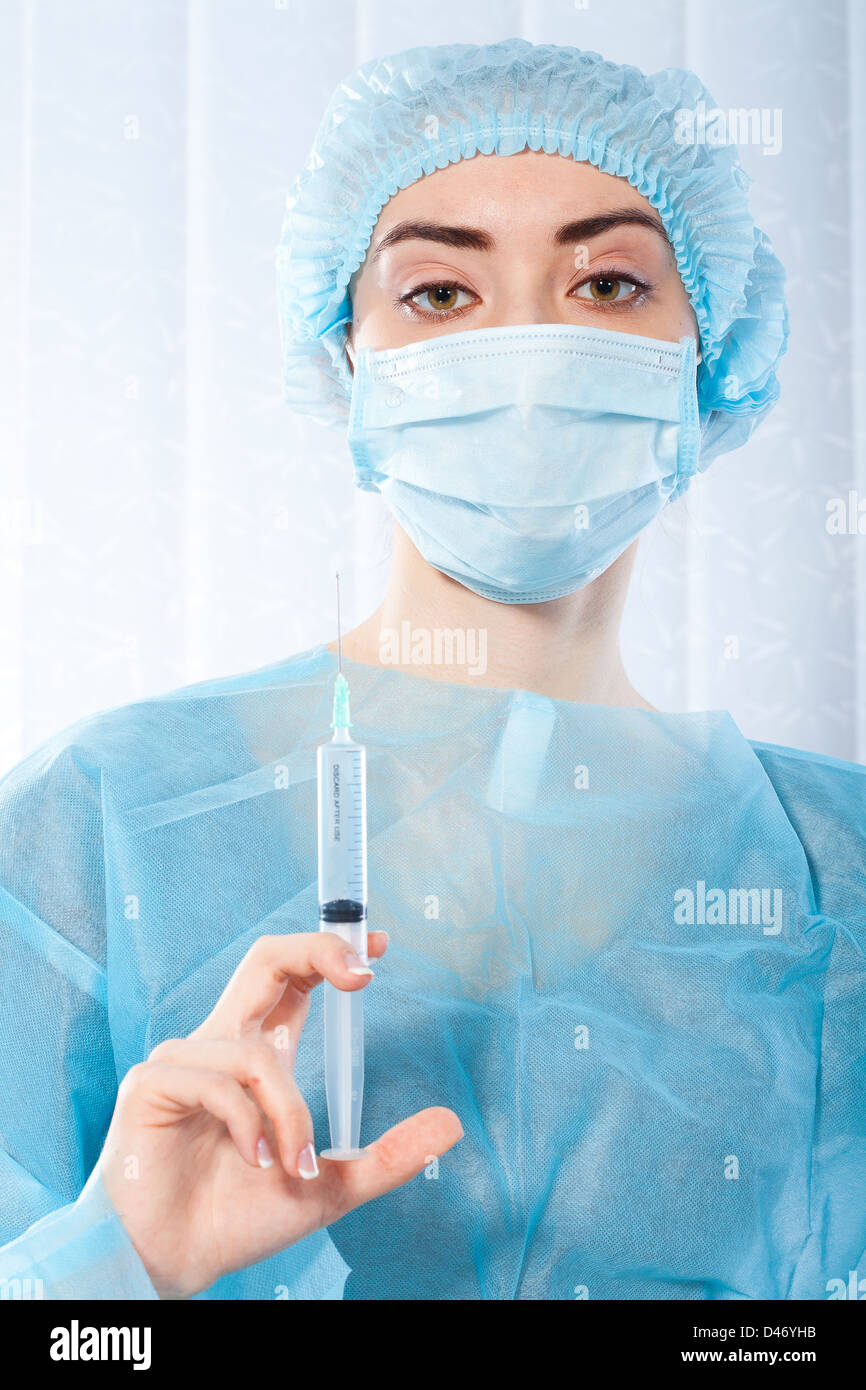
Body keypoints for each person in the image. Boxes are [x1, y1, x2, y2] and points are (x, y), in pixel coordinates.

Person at [0, 37, 862, 1302]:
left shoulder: (835, 866)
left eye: (607, 284)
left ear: (710, 355)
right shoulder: (113, 822)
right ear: (347, 364)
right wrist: (111, 1279)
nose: (526, 348)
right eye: (440, 294)